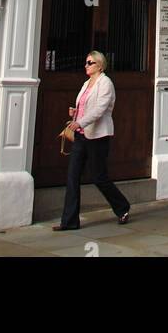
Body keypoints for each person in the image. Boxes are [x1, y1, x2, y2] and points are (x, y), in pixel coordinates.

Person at [55, 51, 130, 230]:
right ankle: (69, 221)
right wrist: (75, 113)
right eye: (86, 62)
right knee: (72, 176)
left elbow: (99, 109)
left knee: (99, 177)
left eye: (90, 62)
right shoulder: (86, 83)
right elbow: (86, 105)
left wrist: (80, 121)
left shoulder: (106, 84)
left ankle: (122, 207)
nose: (86, 65)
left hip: (98, 137)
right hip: (81, 135)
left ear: (100, 65)